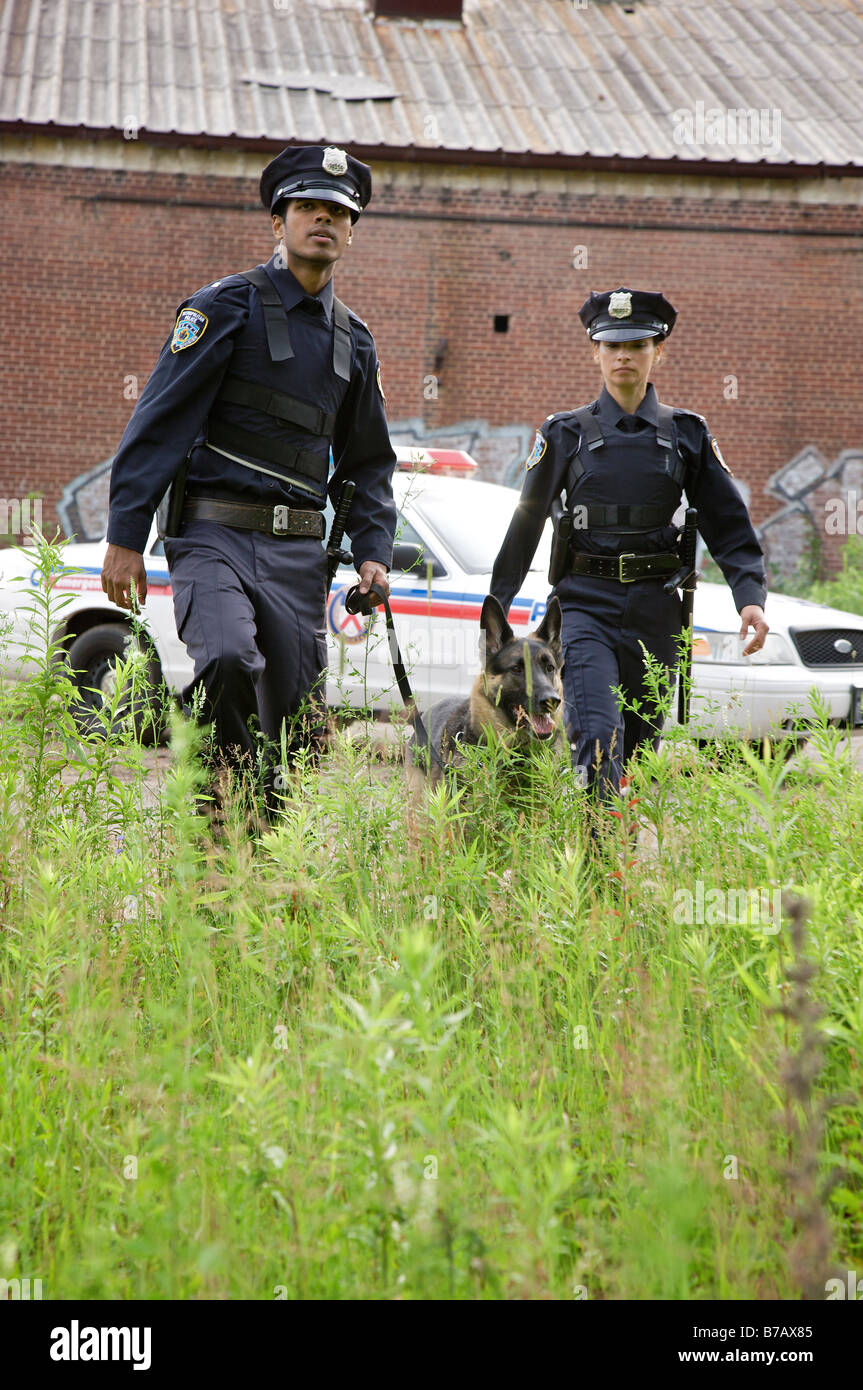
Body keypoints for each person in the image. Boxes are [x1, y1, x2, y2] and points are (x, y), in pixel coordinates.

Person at [101, 145, 397, 810]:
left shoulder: (355, 340)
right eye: (307, 208)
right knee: (229, 659)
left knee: (292, 715)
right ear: (277, 222)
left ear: (352, 231)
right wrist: (124, 537)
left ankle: (259, 843)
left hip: (298, 552)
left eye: (337, 213)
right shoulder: (224, 307)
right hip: (212, 533)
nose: (322, 220)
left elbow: (368, 462)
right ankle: (216, 813)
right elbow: (159, 423)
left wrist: (374, 554)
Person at [490, 286, 769, 806]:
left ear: (658, 351)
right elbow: (525, 524)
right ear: (595, 351)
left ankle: (617, 854)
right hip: (585, 606)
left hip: (656, 612)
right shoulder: (564, 433)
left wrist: (749, 595)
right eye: (612, 345)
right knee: (597, 735)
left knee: (638, 751)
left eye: (637, 345)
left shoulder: (686, 434)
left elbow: (727, 522)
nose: (624, 355)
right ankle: (598, 872)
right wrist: (497, 608)